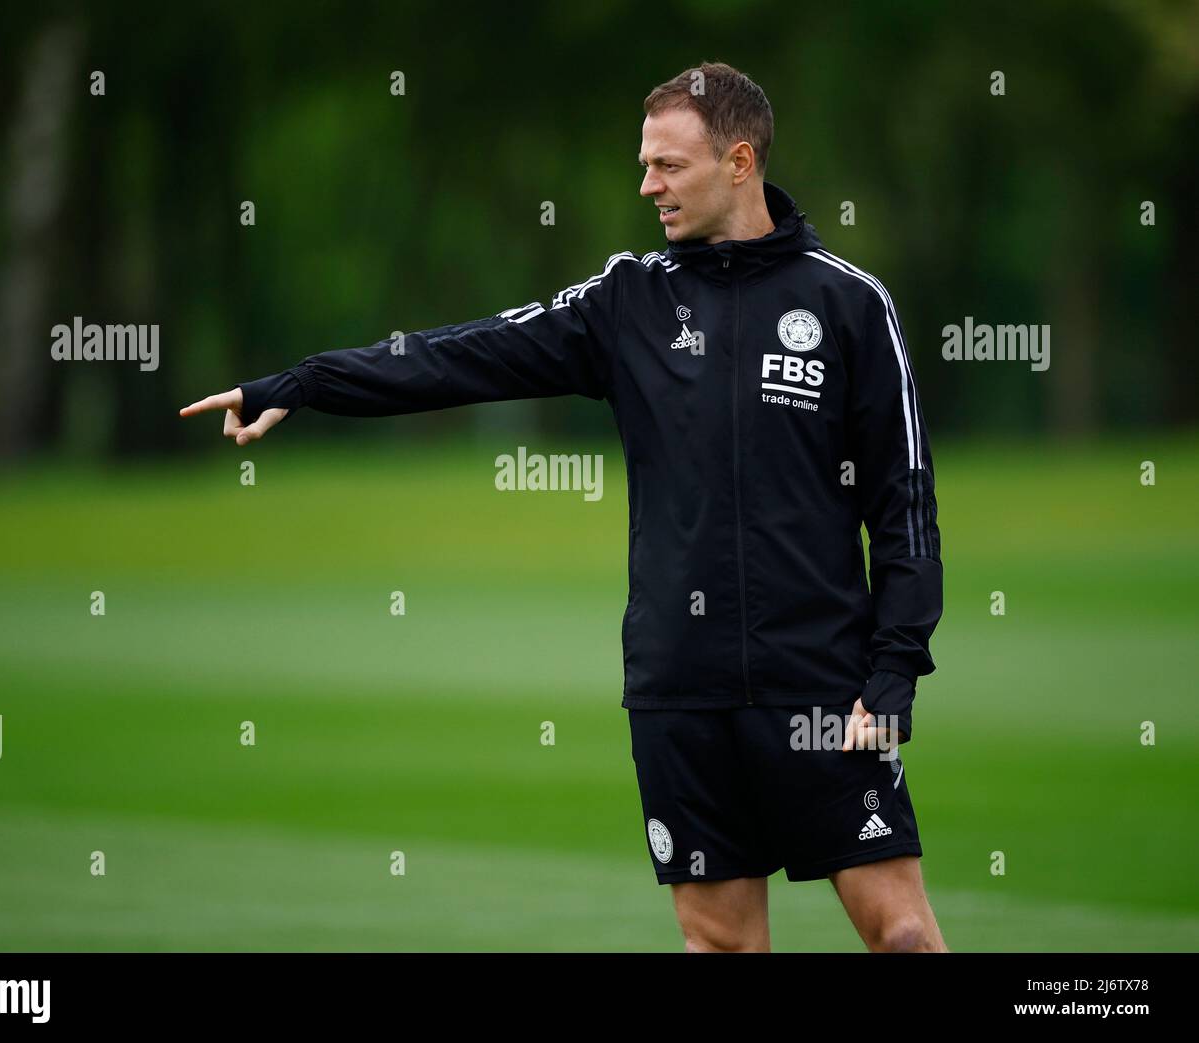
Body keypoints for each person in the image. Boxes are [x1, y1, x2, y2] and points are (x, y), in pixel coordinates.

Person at [181, 61, 947, 953]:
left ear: (741, 163)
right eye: (643, 162)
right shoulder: (629, 301)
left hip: (820, 688)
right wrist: (308, 383)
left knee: (902, 937)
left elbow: (905, 507)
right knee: (722, 945)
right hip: (679, 685)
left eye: (668, 165)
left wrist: (893, 673)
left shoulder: (849, 304)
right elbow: (464, 355)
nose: (646, 184)